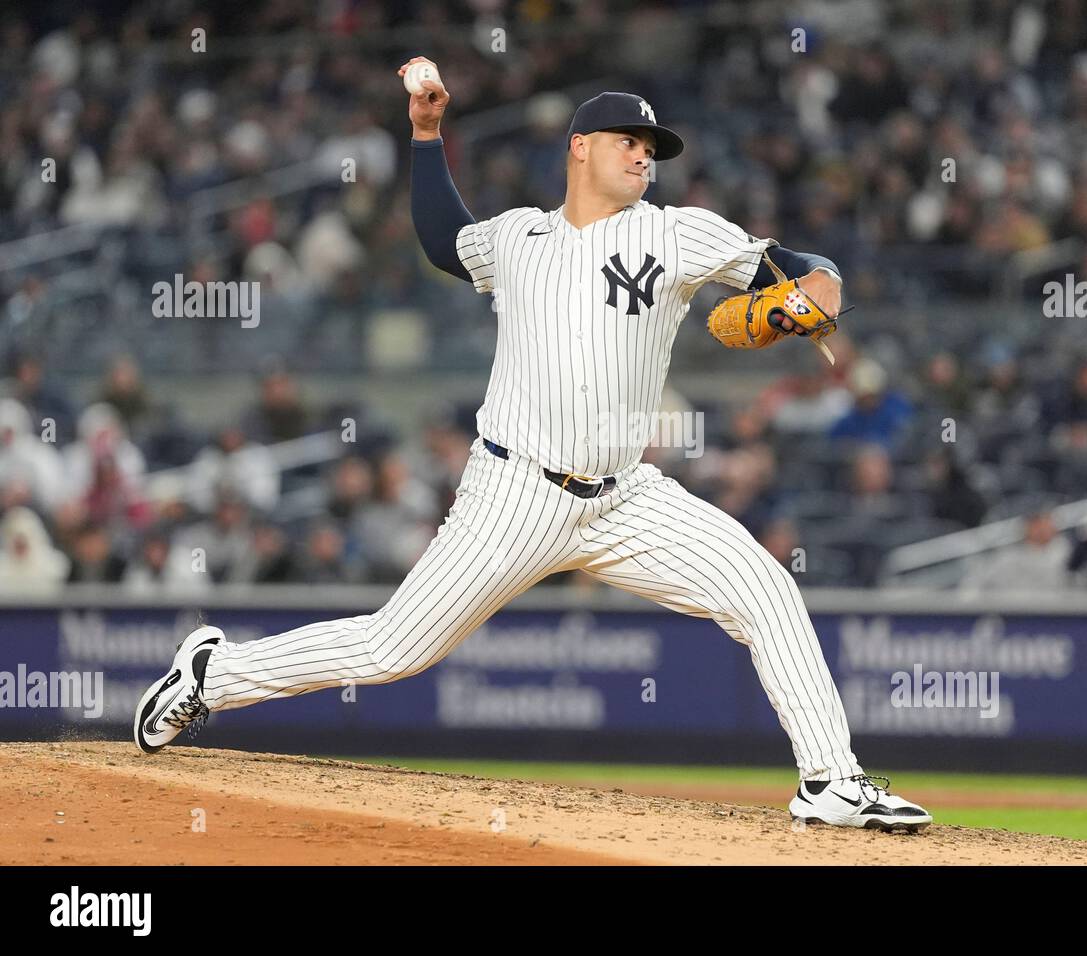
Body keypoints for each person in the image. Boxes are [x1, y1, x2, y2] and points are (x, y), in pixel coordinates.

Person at [131, 59, 930, 833]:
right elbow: (446, 242)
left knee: (767, 592)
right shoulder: (518, 239)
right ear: (579, 147)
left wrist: (818, 293)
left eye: (652, 148)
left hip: (627, 497)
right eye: (628, 140)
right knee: (392, 649)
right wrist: (424, 132)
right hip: (514, 493)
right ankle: (215, 674)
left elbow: (801, 269)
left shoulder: (679, 234)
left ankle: (831, 782)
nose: (644, 154)